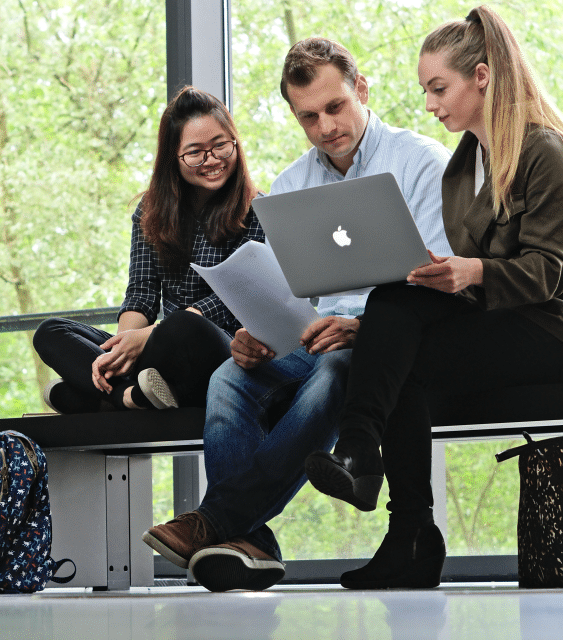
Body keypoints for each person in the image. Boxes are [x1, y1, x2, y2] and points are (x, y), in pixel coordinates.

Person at [304, 5, 563, 589]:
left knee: (399, 351)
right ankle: (388, 503)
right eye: (426, 90)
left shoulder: (545, 151)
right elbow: (458, 282)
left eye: (437, 87)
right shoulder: (462, 165)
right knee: (392, 306)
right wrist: (434, 283)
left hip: (560, 333)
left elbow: (550, 273)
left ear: (482, 77)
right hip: (501, 322)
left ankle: (394, 512)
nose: (429, 104)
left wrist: (471, 272)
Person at [142, 38, 453, 591]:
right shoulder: (289, 188)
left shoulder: (420, 162)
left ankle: (218, 522)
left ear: (361, 90)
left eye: (335, 107)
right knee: (228, 377)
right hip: (304, 340)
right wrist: (251, 332)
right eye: (309, 116)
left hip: (379, 345)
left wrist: (361, 327)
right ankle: (252, 539)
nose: (326, 126)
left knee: (335, 371)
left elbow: (438, 280)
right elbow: (281, 292)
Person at [33, 85, 264, 413]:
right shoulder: (151, 210)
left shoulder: (260, 210)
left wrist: (148, 337)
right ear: (174, 157)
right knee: (51, 332)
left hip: (216, 352)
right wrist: (123, 349)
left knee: (185, 325)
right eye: (196, 152)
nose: (212, 160)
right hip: (158, 351)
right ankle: (128, 396)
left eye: (221, 146)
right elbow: (141, 295)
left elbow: (236, 300)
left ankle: (93, 395)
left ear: (235, 144)